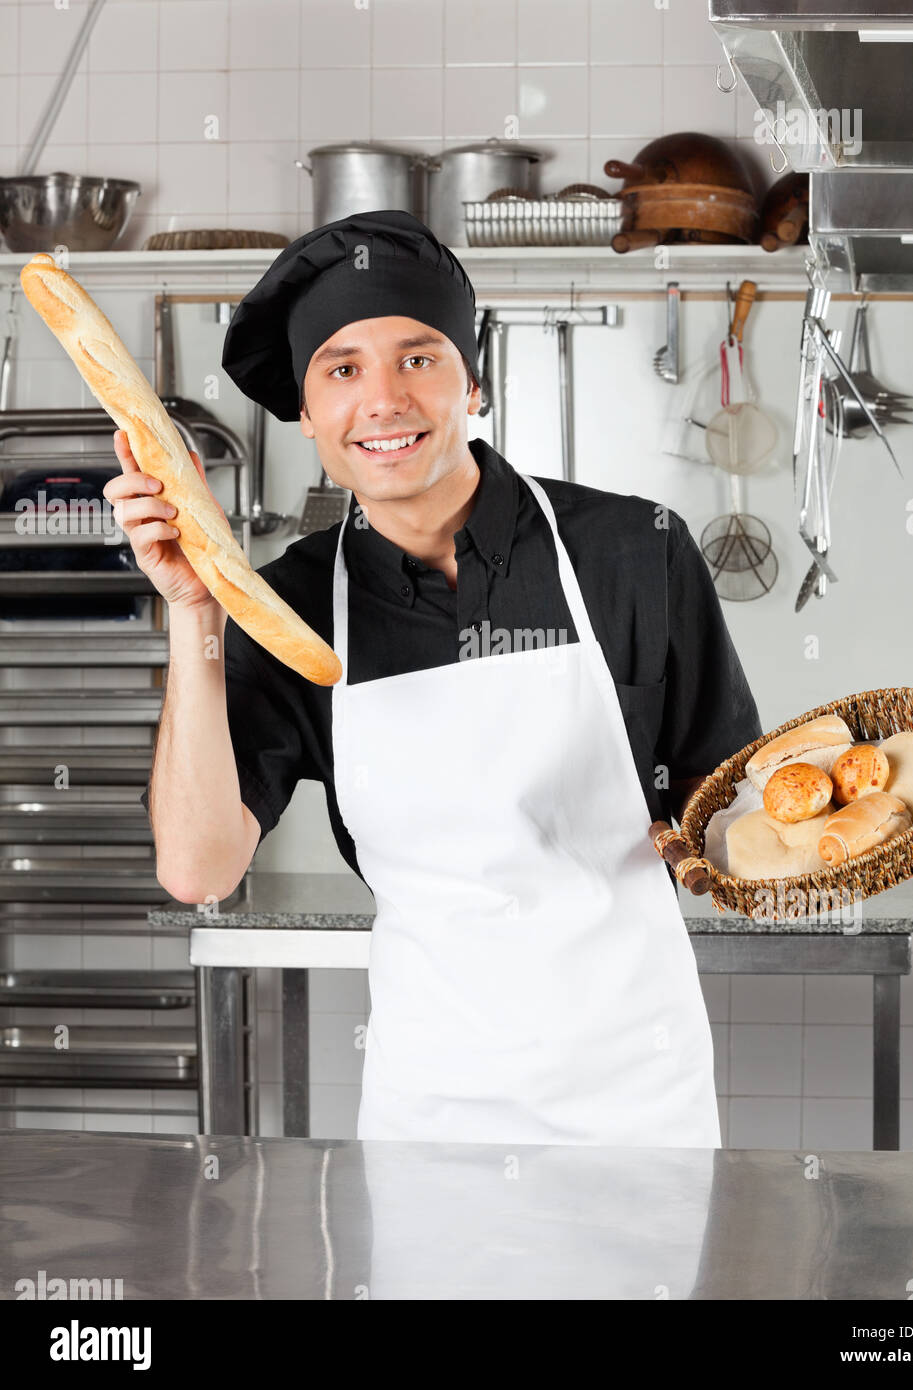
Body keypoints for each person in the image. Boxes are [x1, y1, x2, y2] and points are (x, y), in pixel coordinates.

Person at [112, 211, 761, 1148]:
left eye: (417, 358)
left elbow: (729, 809)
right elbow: (197, 868)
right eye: (341, 370)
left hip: (639, 1099)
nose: (382, 401)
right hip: (433, 1109)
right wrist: (194, 611)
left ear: (473, 380)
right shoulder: (288, 604)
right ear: (307, 411)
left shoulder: (633, 550)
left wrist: (795, 839)